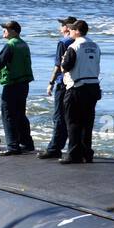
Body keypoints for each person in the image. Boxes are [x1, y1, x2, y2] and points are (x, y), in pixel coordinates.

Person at [0, 20, 35, 155]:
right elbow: (17, 63)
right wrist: (1, 77)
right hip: (23, 84)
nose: (3, 31)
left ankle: (13, 146)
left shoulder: (11, 45)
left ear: (14, 31)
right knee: (20, 114)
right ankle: (27, 143)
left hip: (13, 85)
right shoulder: (23, 44)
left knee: (8, 114)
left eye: (6, 29)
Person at [58, 19, 101, 164]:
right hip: (93, 86)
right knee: (87, 122)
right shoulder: (95, 45)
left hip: (77, 86)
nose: (69, 31)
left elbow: (65, 67)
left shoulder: (74, 46)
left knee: (73, 122)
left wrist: (63, 61)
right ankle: (87, 153)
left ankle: (73, 154)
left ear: (77, 31)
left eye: (71, 29)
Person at [37, 16, 78, 159]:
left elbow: (58, 66)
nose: (60, 28)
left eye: (62, 25)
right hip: (77, 84)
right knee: (72, 116)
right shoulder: (80, 42)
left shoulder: (63, 42)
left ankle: (54, 147)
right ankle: (72, 146)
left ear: (67, 27)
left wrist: (51, 82)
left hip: (63, 82)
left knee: (58, 115)